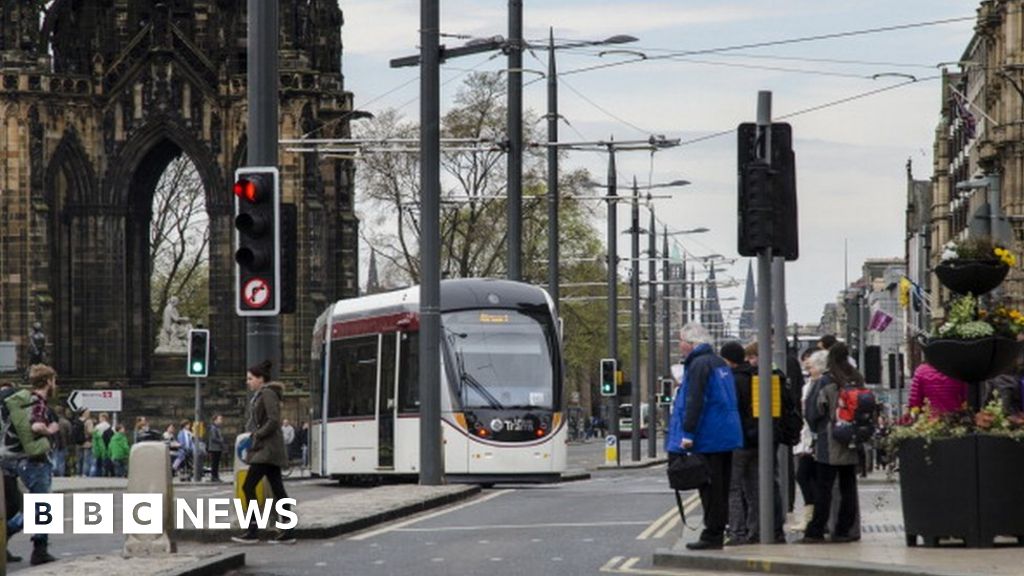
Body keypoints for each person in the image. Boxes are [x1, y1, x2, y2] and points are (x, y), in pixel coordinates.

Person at [666, 324, 742, 551]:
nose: (679, 345)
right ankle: (716, 531)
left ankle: (712, 534)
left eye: (681, 340)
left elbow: (695, 401)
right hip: (725, 434)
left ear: (691, 343)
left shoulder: (698, 365)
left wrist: (687, 434)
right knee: (720, 486)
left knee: (709, 488)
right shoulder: (718, 362)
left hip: (708, 436)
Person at [800, 343, 862, 544]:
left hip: (829, 440)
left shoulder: (826, 380)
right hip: (852, 438)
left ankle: (816, 530)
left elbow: (812, 411)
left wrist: (818, 430)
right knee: (848, 487)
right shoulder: (856, 378)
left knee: (823, 488)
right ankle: (844, 530)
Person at [232, 360, 296, 545]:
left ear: (261, 379)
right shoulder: (263, 394)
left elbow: (273, 420)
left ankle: (253, 530)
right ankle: (288, 530)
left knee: (248, 487)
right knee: (278, 490)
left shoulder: (267, 393)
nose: (248, 382)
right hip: (267, 449)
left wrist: (257, 435)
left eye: (250, 378)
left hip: (266, 449)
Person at [9, 364, 60, 564]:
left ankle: (10, 537)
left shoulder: (26, 402)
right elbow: (37, 425)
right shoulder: (38, 402)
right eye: (54, 380)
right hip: (36, 463)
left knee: (37, 509)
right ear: (48, 381)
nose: (55, 384)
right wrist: (51, 430)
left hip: (26, 461)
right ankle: (39, 550)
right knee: (42, 507)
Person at [793, 350, 827, 532]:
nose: (808, 368)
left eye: (811, 365)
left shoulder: (820, 386)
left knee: (805, 476)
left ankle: (813, 518)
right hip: (807, 438)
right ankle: (810, 516)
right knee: (806, 476)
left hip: (815, 439)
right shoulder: (809, 385)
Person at [91, 412, 112, 477]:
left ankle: (95, 474)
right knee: (105, 461)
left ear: (103, 418)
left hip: (98, 446)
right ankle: (105, 473)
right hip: (107, 445)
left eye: (100, 417)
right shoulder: (109, 426)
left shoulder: (99, 426)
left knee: (97, 462)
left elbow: (93, 433)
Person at [207, 414, 225, 482]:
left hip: (217, 448)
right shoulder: (213, 428)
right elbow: (213, 438)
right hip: (214, 448)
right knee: (214, 463)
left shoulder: (217, 428)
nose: (221, 421)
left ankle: (215, 476)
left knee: (216, 463)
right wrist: (221, 441)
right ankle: (214, 476)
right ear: (215, 420)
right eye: (219, 419)